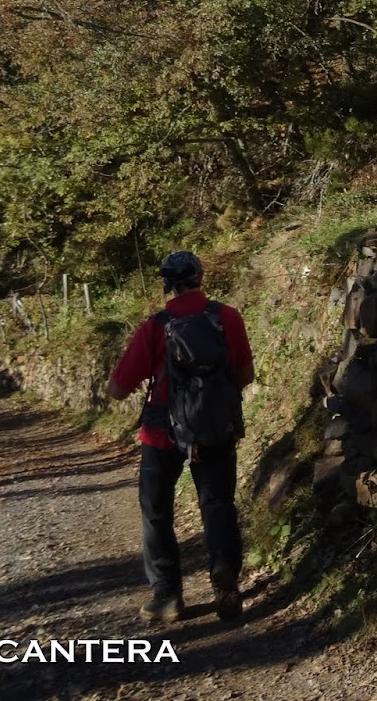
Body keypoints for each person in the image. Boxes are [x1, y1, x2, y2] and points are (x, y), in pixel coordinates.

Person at [109, 250, 255, 624]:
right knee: (217, 504)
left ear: (167, 283)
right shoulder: (227, 317)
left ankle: (167, 596)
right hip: (215, 430)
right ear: (200, 277)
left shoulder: (155, 326)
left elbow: (118, 389)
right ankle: (225, 580)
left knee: (156, 511)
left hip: (162, 433)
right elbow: (244, 375)